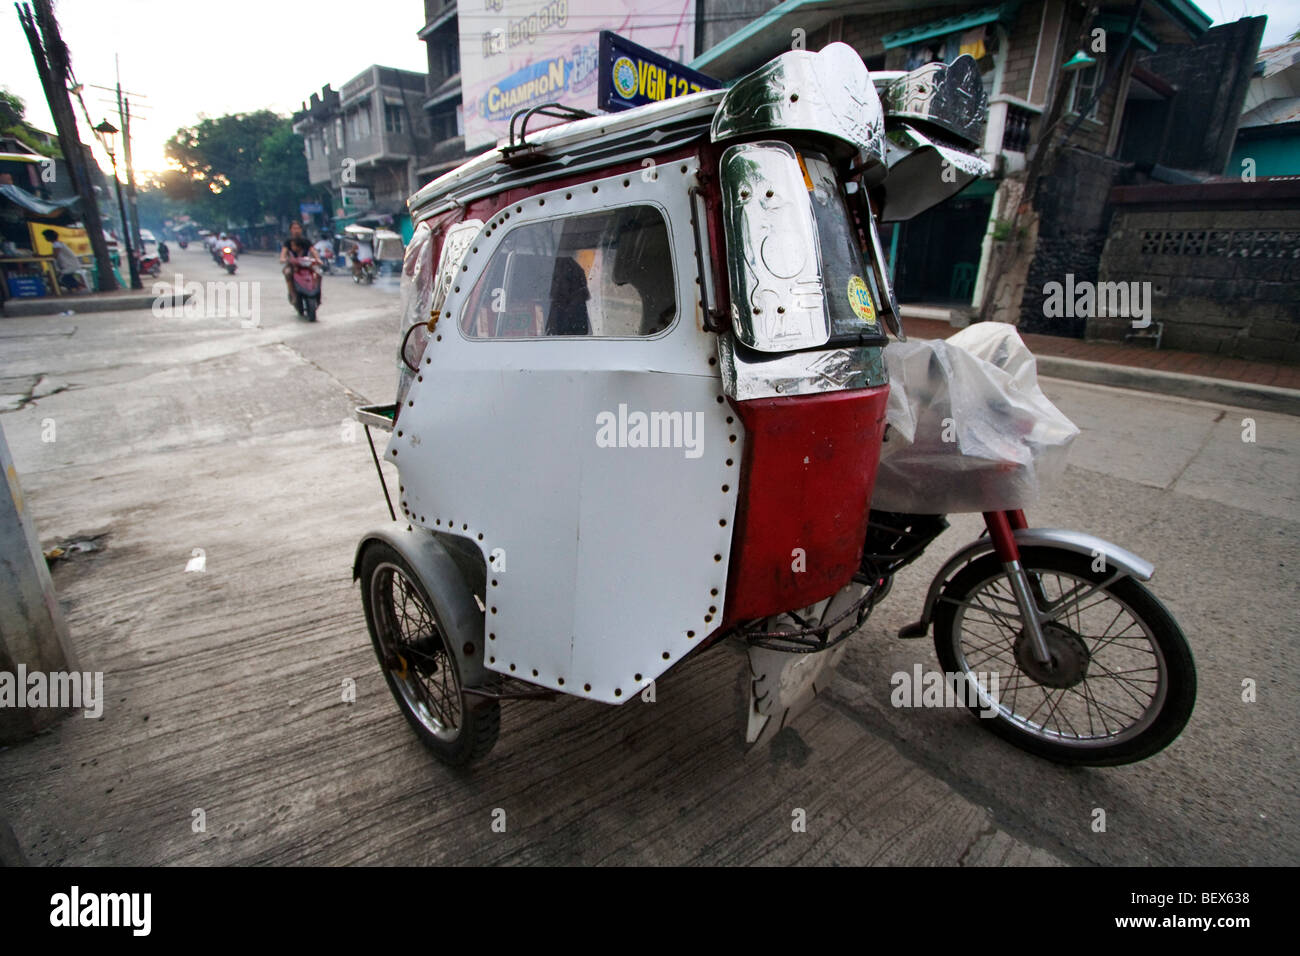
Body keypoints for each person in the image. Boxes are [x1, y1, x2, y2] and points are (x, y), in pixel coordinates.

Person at [280, 221, 321, 306]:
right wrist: (283, 258)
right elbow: (284, 252)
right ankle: (292, 294)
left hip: (306, 264)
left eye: (298, 228)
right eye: (294, 228)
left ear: (301, 230)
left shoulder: (306, 241)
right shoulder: (288, 242)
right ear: (290, 230)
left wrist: (318, 259)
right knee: (287, 273)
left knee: (318, 274)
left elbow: (313, 251)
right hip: (293, 265)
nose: (296, 230)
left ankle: (318, 294)